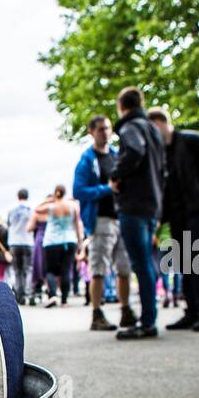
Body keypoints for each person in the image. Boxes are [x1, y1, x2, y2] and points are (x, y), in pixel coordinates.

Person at [147, 107, 199, 331]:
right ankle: (192, 310)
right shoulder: (162, 154)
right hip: (177, 215)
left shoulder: (192, 141)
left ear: (162, 123)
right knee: (183, 263)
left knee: (198, 261)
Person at [109, 87, 167, 340]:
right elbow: (162, 168)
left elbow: (133, 151)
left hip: (134, 203)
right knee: (146, 263)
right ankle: (149, 317)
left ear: (122, 106)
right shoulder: (153, 129)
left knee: (141, 264)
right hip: (152, 203)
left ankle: (147, 321)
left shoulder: (131, 127)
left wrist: (116, 174)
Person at [73, 115, 133, 331]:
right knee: (98, 268)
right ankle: (97, 313)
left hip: (121, 218)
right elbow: (78, 191)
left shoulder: (117, 156)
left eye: (107, 128)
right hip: (100, 220)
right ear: (91, 132)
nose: (104, 132)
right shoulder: (87, 160)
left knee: (124, 267)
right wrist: (107, 189)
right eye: (100, 129)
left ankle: (126, 310)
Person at [29, 184, 84, 306]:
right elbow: (78, 224)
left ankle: (53, 295)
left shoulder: (51, 206)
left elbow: (37, 209)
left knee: (50, 271)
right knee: (65, 270)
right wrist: (80, 242)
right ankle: (64, 300)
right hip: (69, 240)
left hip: (52, 241)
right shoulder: (73, 206)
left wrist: (48, 199)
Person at [6, 189, 35, 305]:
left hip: (14, 242)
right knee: (28, 269)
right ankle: (29, 293)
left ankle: (19, 295)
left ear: (18, 196)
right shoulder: (32, 208)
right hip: (28, 241)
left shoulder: (11, 208)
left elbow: (8, 223)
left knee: (17, 270)